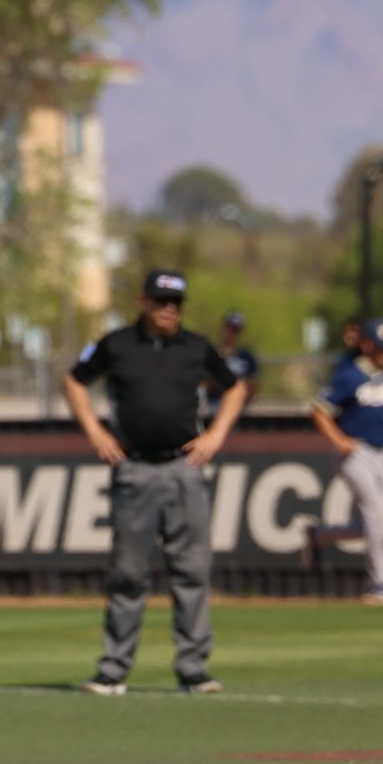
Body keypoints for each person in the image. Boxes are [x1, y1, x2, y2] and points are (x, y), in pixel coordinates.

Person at [62, 270, 249, 696]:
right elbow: (75, 380)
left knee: (191, 569)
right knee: (128, 571)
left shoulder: (196, 348)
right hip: (135, 467)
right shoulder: (117, 345)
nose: (169, 309)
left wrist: (216, 435)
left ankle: (193, 667)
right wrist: (94, 430)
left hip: (183, 466)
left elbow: (235, 388)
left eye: (176, 302)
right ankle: (113, 667)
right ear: (143, 301)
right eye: (162, 301)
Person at [303, 319, 383, 605]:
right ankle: (380, 584)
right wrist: (339, 441)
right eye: (382, 347)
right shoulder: (350, 374)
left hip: (382, 452)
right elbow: (319, 410)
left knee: (375, 522)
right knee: (376, 510)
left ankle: (320, 536)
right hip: (355, 452)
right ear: (367, 345)